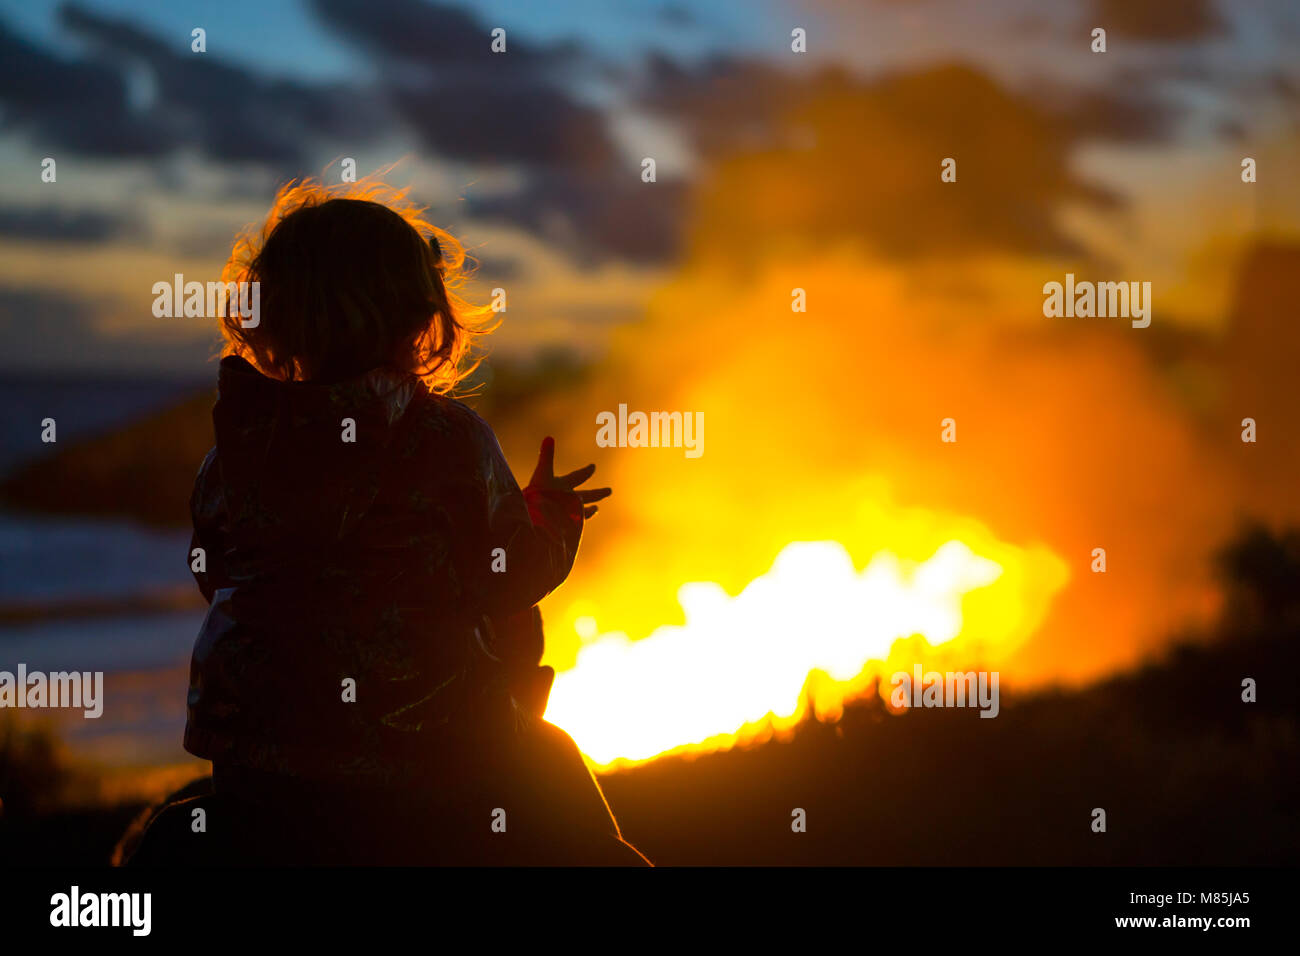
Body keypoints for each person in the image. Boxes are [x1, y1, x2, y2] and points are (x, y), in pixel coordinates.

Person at [124, 177, 647, 865]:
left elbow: (216, 569)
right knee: (553, 762)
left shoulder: (238, 454)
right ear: (421, 319)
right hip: (434, 751)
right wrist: (546, 519)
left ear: (274, 322)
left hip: (258, 761)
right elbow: (507, 578)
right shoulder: (449, 440)